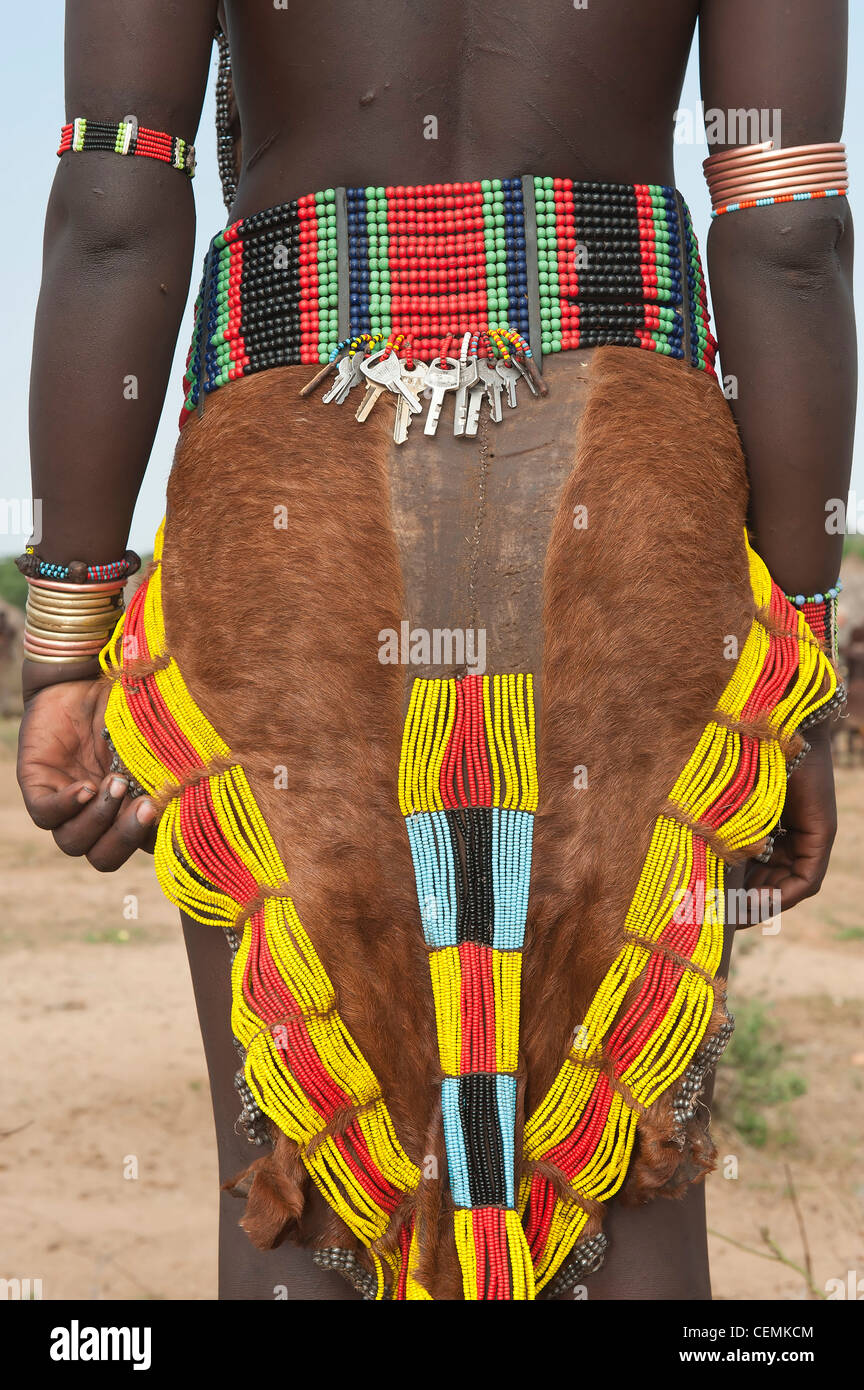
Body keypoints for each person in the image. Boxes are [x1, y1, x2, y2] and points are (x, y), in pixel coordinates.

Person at [17, 0, 852, 1301]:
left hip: (290, 492)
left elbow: (115, 203)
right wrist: (796, 671)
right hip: (629, 501)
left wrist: (65, 640)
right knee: (627, 1200)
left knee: (300, 1209)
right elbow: (789, 233)